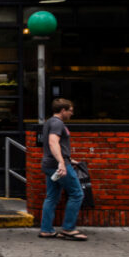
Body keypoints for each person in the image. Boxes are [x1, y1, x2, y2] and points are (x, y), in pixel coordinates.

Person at [39, 98, 86, 241]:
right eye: (70, 110)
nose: (72, 113)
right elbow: (53, 143)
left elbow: (53, 146)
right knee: (77, 194)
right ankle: (68, 228)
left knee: (52, 197)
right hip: (57, 166)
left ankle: (46, 230)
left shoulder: (49, 122)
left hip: (49, 165)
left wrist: (69, 159)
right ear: (63, 110)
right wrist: (62, 162)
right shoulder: (57, 123)